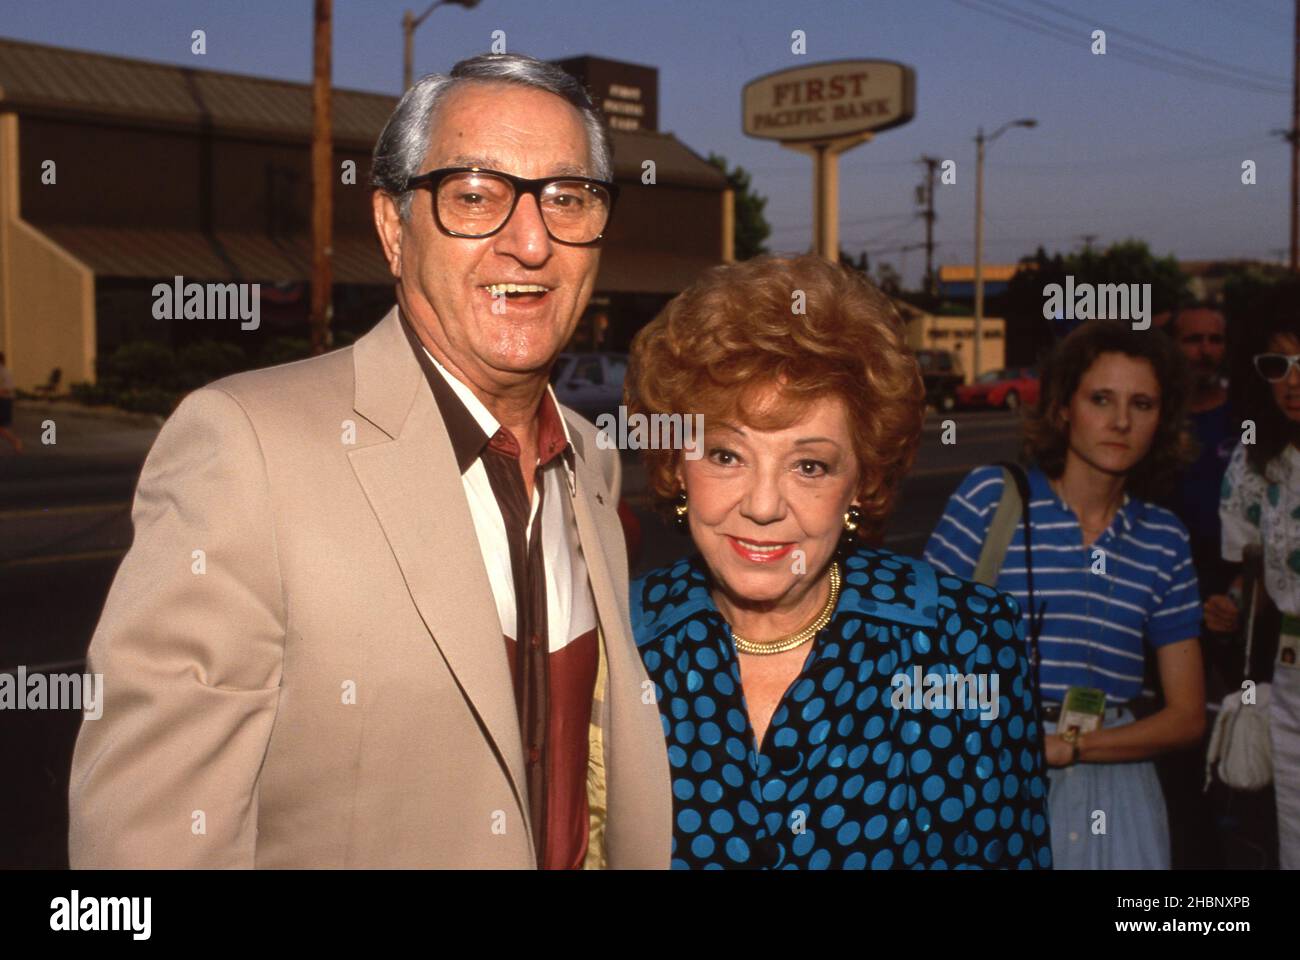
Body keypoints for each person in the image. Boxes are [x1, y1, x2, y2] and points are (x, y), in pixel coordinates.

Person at [69, 54, 670, 869]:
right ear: (393, 227)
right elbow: (145, 846)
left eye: (568, 198)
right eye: (474, 195)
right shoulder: (248, 445)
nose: (530, 242)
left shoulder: (594, 463)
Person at [626, 254, 1052, 869]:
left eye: (809, 465)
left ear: (861, 481)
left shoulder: (967, 642)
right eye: (726, 456)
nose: (764, 506)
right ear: (677, 465)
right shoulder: (616, 640)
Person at [925, 320, 1206, 869]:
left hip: (1120, 787)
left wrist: (1072, 746)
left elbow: (1188, 716)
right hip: (994, 778)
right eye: (1101, 398)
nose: (1121, 421)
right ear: (1061, 408)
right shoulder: (992, 501)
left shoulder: (1164, 539)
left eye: (1143, 404)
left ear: (1162, 422)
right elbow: (914, 661)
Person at [1204, 277, 1300, 870]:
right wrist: (1229, 605)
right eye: (1278, 363)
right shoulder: (1252, 464)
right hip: (1286, 687)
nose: (1292, 381)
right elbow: (1251, 576)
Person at [0, 351, 23, 454]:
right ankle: (15, 442)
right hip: (3, 400)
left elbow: (8, 389)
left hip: (4, 401)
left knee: (1, 427)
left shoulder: (4, 372)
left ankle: (15, 442)